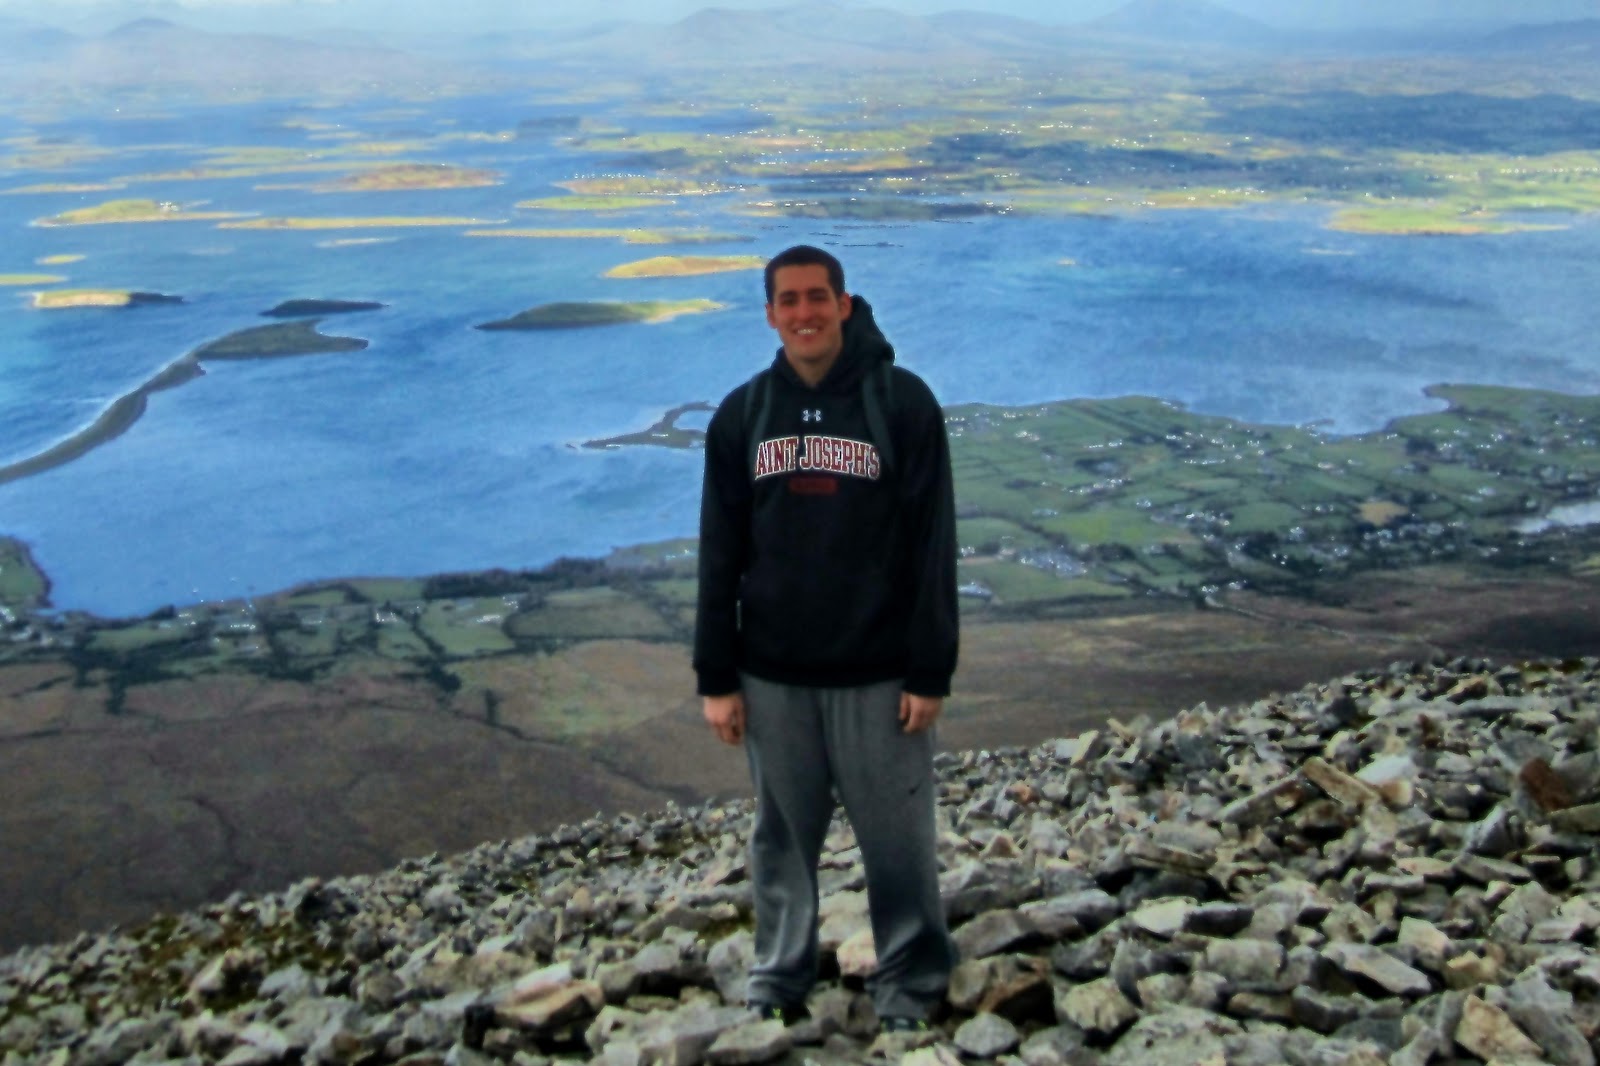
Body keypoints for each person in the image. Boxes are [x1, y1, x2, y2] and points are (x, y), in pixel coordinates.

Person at [693, 244, 959, 1031]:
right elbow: (720, 553)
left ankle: (911, 985)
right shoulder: (743, 415)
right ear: (770, 314)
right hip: (772, 675)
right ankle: (778, 981)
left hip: (880, 675)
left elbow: (932, 544)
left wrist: (930, 670)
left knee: (898, 840)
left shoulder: (902, 404)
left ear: (844, 304)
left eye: (818, 297)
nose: (804, 313)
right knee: (780, 839)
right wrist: (716, 677)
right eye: (789, 300)